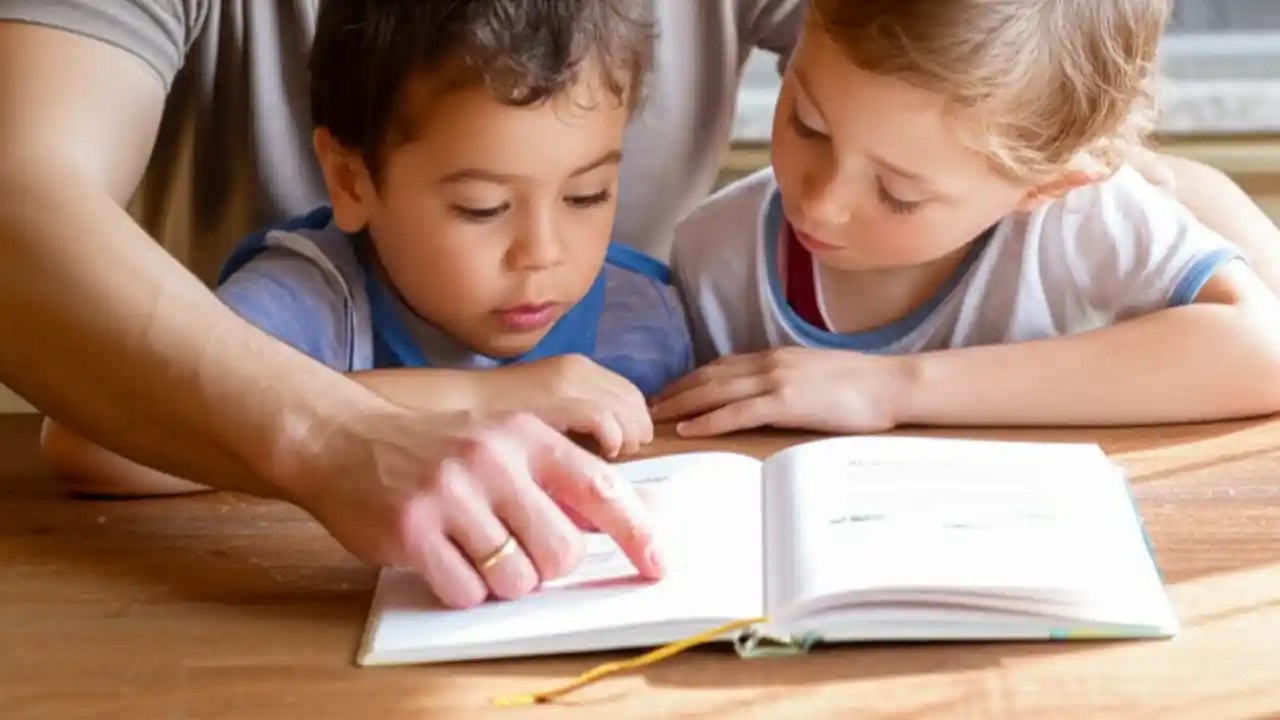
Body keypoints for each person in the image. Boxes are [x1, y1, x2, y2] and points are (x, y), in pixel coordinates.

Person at [0, 1, 1273, 605]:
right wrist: (329, 432)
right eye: (486, 205)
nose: (540, 252)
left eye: (587, 191)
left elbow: (984, 78)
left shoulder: (661, 308)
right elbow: (16, 200)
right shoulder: (310, 289)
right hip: (221, 546)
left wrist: (1189, 215)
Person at [654, 0, 1280, 437]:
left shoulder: (1081, 223)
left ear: (1046, 185)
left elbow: (1264, 350)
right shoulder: (713, 259)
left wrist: (895, 388)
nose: (820, 203)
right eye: (807, 124)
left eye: (899, 194)